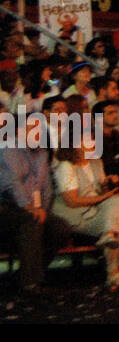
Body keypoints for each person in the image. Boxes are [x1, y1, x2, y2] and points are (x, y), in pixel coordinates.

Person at [51, 132, 119, 287]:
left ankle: (109, 238)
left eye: (92, 139)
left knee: (118, 204)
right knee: (113, 222)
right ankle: (113, 271)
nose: (92, 142)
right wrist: (104, 197)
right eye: (87, 140)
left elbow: (101, 192)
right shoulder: (66, 166)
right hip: (74, 214)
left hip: (94, 211)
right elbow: (72, 201)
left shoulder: (96, 163)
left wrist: (107, 186)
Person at [0, 114, 69, 294]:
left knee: (61, 229)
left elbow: (47, 187)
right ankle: (30, 282)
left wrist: (43, 209)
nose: (37, 132)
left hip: (35, 207)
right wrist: (28, 207)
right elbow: (11, 183)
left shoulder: (42, 153)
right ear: (19, 131)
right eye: (32, 128)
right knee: (31, 220)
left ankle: (28, 273)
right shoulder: (8, 150)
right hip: (9, 206)